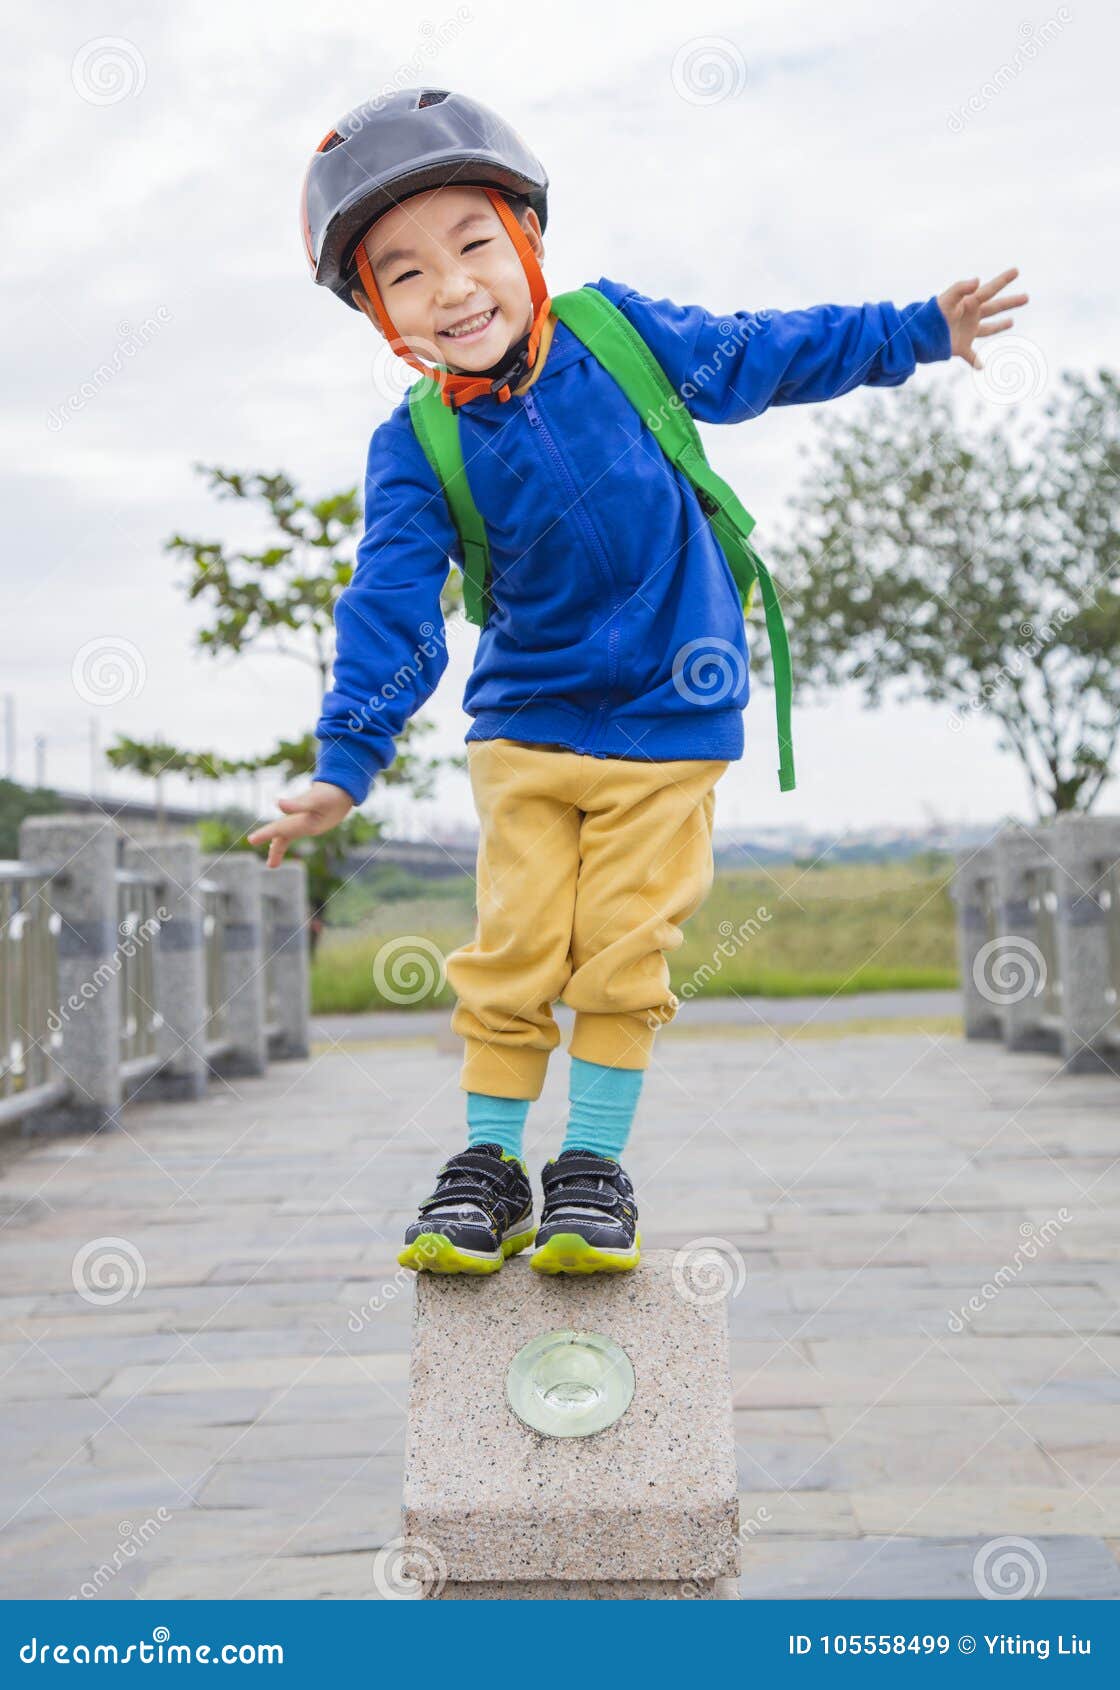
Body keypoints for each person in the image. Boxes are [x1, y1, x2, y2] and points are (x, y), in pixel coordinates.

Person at [249, 87, 1027, 1278]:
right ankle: (487, 1168)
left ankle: (592, 1171)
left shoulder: (620, 337)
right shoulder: (418, 439)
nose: (451, 288)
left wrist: (914, 329)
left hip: (672, 717)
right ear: (374, 310)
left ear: (529, 243)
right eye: (403, 274)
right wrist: (344, 763)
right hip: (524, 726)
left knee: (619, 949)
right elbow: (391, 606)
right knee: (512, 947)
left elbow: (766, 351)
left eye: (472, 245)